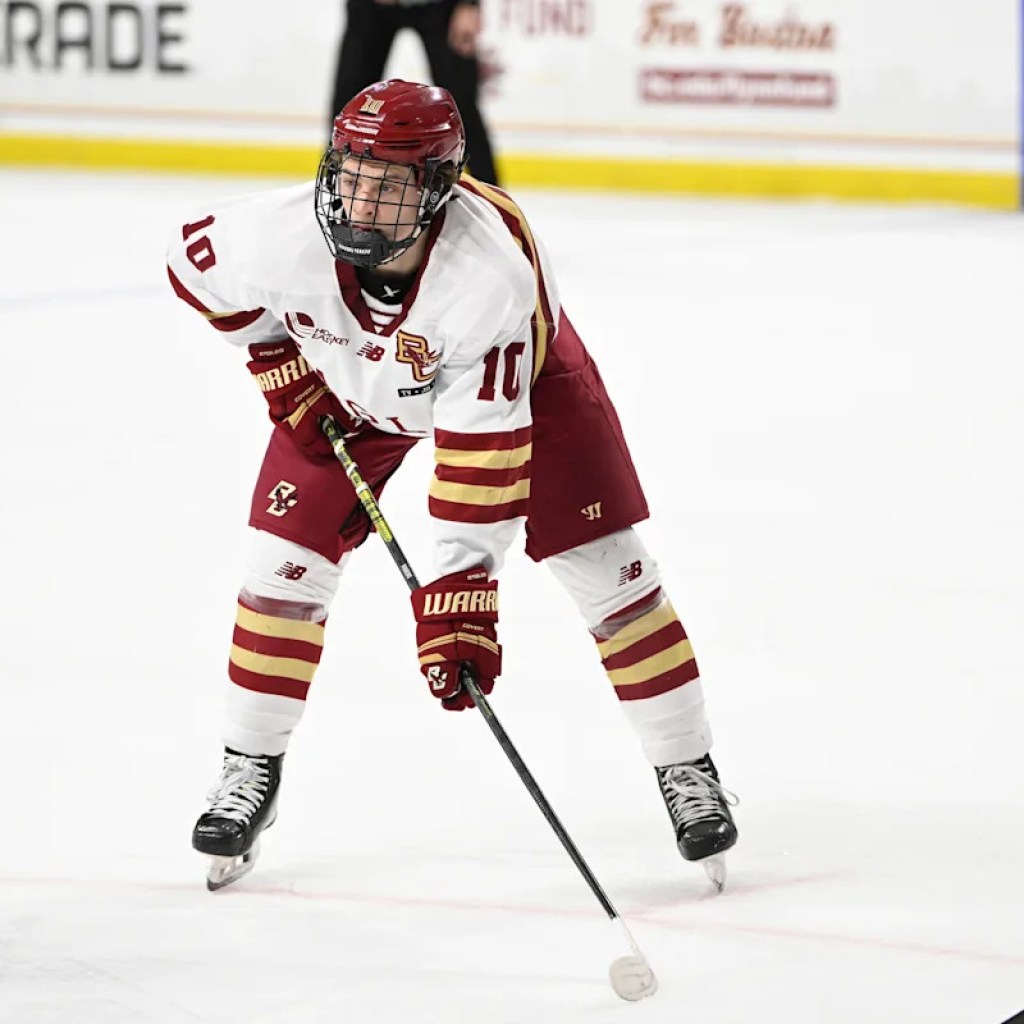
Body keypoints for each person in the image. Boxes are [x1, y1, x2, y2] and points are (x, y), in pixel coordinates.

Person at [166, 79, 738, 892]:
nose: (360, 199)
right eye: (352, 173)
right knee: (279, 575)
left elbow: (480, 457)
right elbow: (191, 268)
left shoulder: (486, 280)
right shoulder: (276, 234)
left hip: (526, 388)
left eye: (389, 184)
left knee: (613, 577)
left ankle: (689, 770)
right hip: (343, 385)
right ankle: (248, 768)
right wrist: (273, 356)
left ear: (436, 190)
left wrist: (462, 588)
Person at [329, 0, 499, 185]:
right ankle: (334, 189)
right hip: (373, 6)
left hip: (442, 6)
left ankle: (492, 199)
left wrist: (469, 4)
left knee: (462, 105)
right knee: (349, 103)